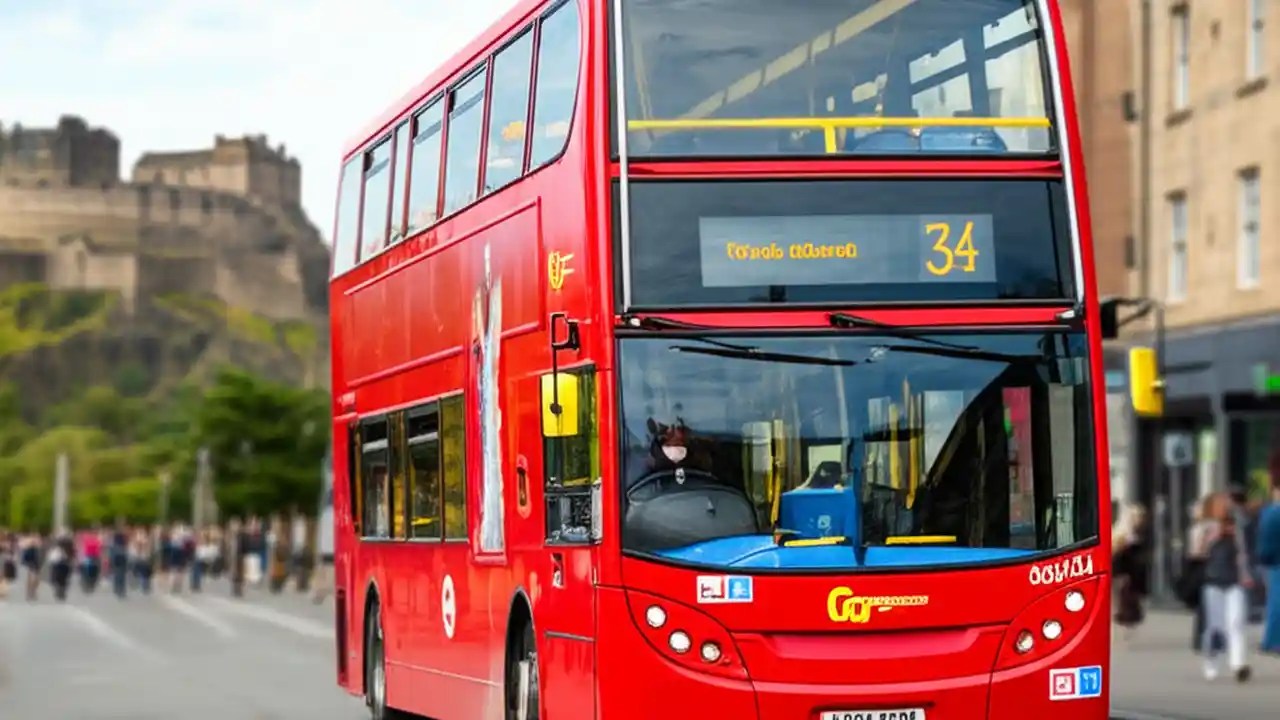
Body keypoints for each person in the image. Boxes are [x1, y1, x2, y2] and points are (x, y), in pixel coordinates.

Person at [1192, 492, 1254, 682]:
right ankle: (1212, 662)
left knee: (1236, 622)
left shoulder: (1236, 527)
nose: (1224, 508)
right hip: (1212, 581)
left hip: (1234, 581)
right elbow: (1196, 553)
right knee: (1214, 625)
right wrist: (1213, 536)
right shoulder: (1203, 527)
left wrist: (1245, 574)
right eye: (1220, 505)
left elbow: (1242, 553)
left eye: (1226, 505)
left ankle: (1238, 664)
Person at [1112, 504, 1150, 642]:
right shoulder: (1122, 534)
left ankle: (1128, 624)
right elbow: (1116, 555)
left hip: (1134, 572)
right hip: (1124, 572)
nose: (1140, 520)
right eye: (1137, 517)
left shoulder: (1140, 533)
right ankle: (1122, 625)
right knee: (1124, 600)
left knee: (1131, 600)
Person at [1258, 474, 1280, 655]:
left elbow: (1265, 543)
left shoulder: (1272, 513)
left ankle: (1272, 640)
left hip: (1275, 563)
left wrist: (1264, 558)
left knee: (1275, 601)